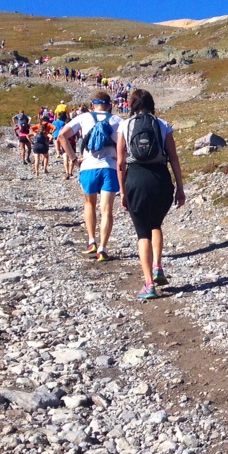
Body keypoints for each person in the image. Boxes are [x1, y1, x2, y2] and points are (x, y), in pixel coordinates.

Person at [117, 88, 185, 299]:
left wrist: (122, 191)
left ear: (132, 105)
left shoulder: (124, 125)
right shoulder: (163, 125)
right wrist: (180, 187)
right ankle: (158, 267)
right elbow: (173, 157)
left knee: (142, 232)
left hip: (136, 180)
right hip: (161, 180)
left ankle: (149, 285)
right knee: (156, 224)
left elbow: (120, 162)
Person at [58, 91, 123, 261]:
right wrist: (119, 159)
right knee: (106, 209)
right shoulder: (117, 120)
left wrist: (74, 159)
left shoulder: (84, 117)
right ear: (110, 105)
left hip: (88, 167)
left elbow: (61, 135)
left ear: (93, 104)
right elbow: (126, 144)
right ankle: (103, 248)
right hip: (109, 167)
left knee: (89, 204)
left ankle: (91, 241)